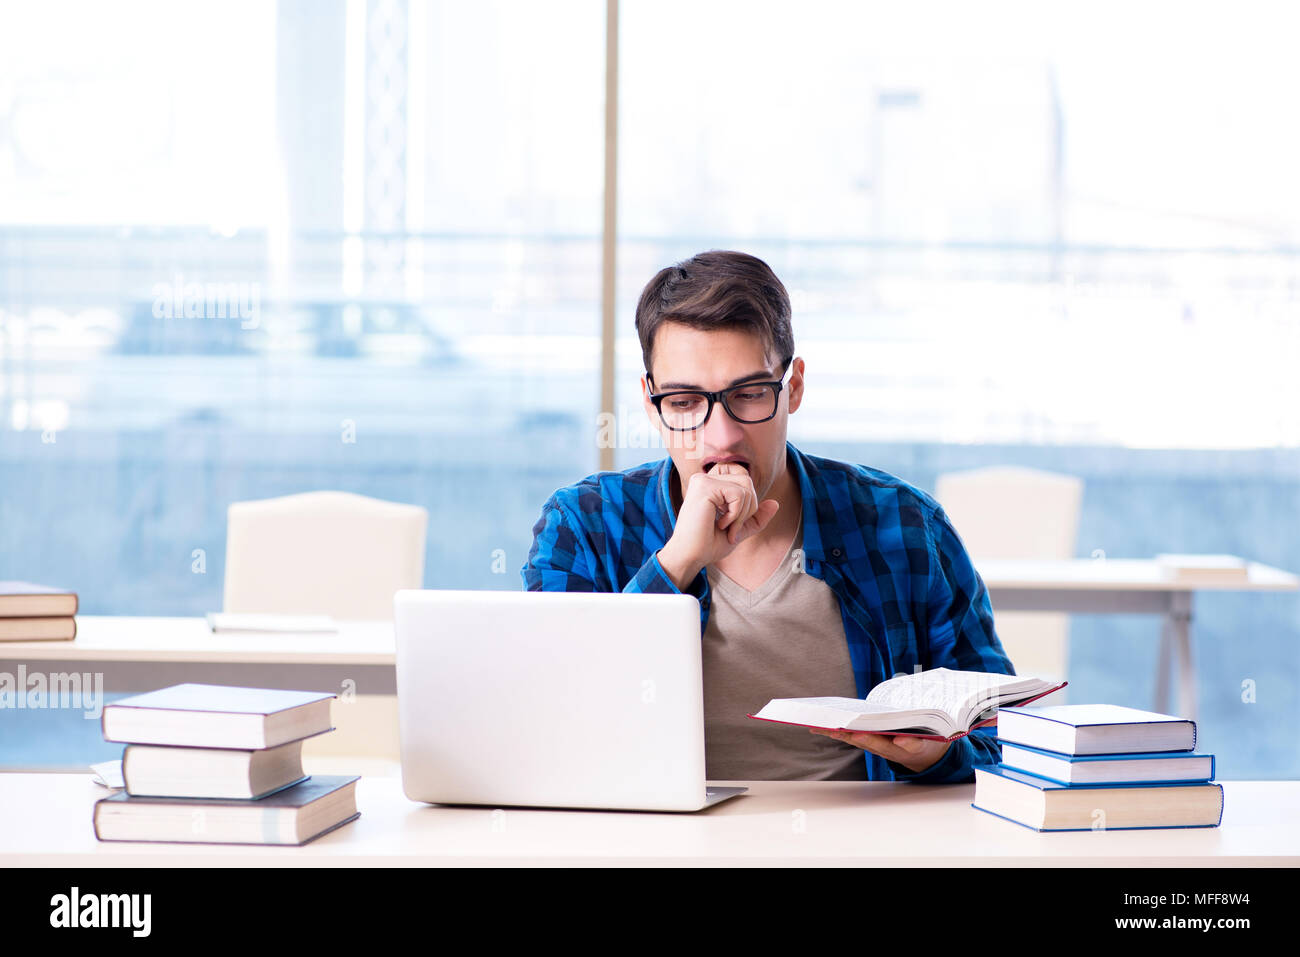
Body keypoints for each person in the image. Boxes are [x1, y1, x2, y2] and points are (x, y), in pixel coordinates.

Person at [522, 250, 1014, 783]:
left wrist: (940, 757)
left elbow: (1009, 738)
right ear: (650, 402)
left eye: (750, 394)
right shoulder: (584, 525)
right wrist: (675, 565)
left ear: (794, 387)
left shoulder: (905, 524)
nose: (722, 436)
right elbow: (551, 727)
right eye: (685, 402)